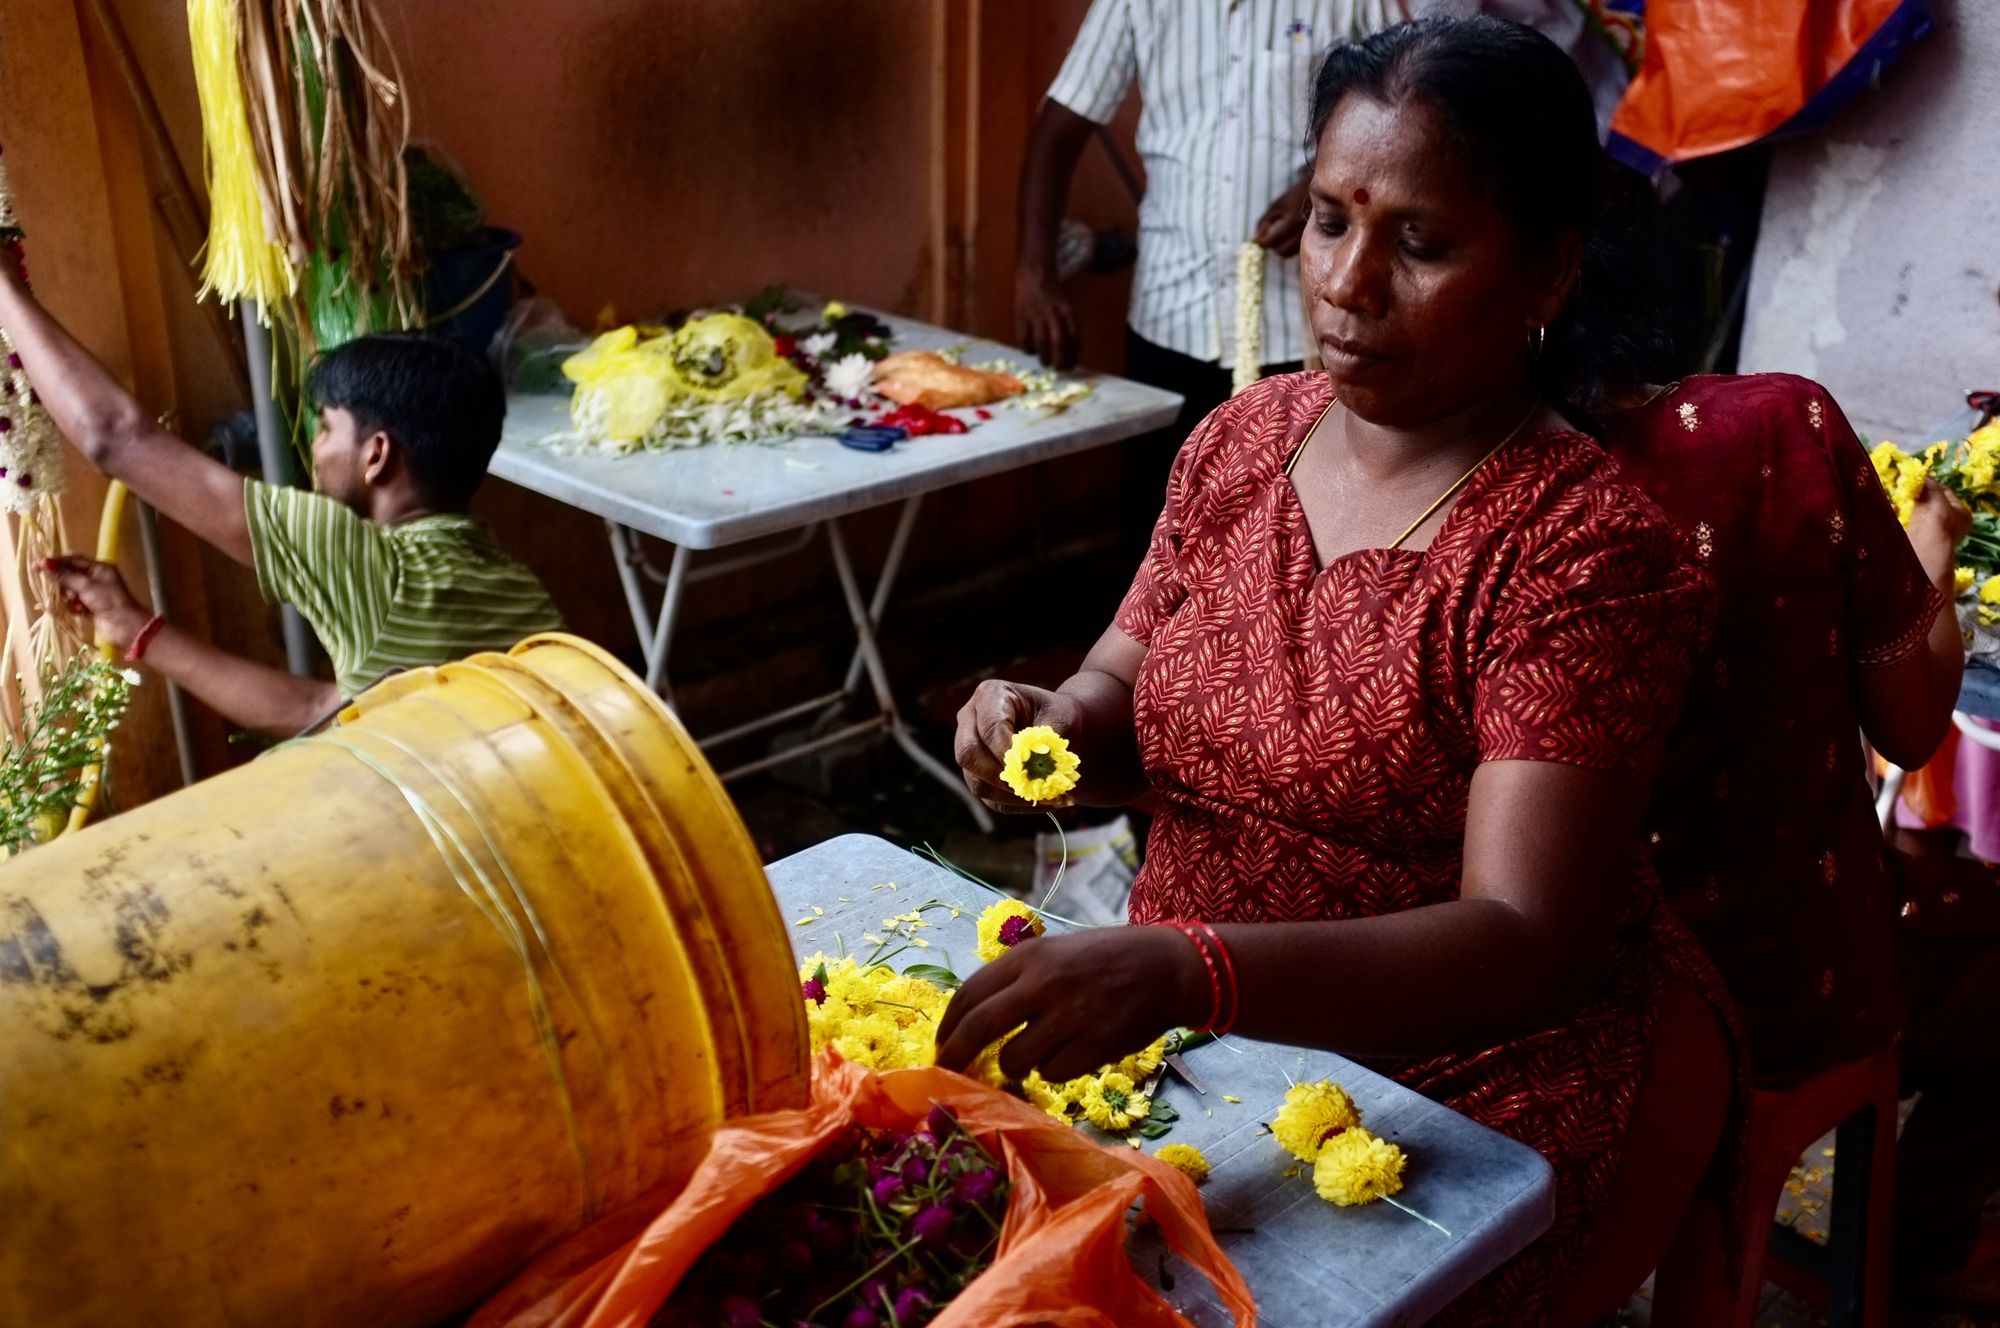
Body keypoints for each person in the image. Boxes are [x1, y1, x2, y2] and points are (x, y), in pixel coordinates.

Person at [946, 18, 1736, 1325]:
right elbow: (1116, 692)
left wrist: (1189, 967)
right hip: (1196, 1037)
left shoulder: (1579, 553)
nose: (1347, 282)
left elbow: (1523, 941)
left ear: (1544, 276)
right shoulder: (1243, 442)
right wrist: (1039, 725)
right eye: (1326, 220)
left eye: (1419, 244)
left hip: (1469, 1081)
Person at [0, 255, 563, 739]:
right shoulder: (515, 586)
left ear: (377, 455)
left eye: (324, 428)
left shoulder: (363, 560)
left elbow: (114, 437)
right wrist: (137, 629)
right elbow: (321, 709)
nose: (314, 450)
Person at [1019, 1, 1417, 561]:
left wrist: (1318, 188)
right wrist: (1036, 275)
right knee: (1159, 548)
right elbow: (1059, 130)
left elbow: (1408, 118)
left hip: (1299, 339)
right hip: (1168, 321)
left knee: (1290, 550)